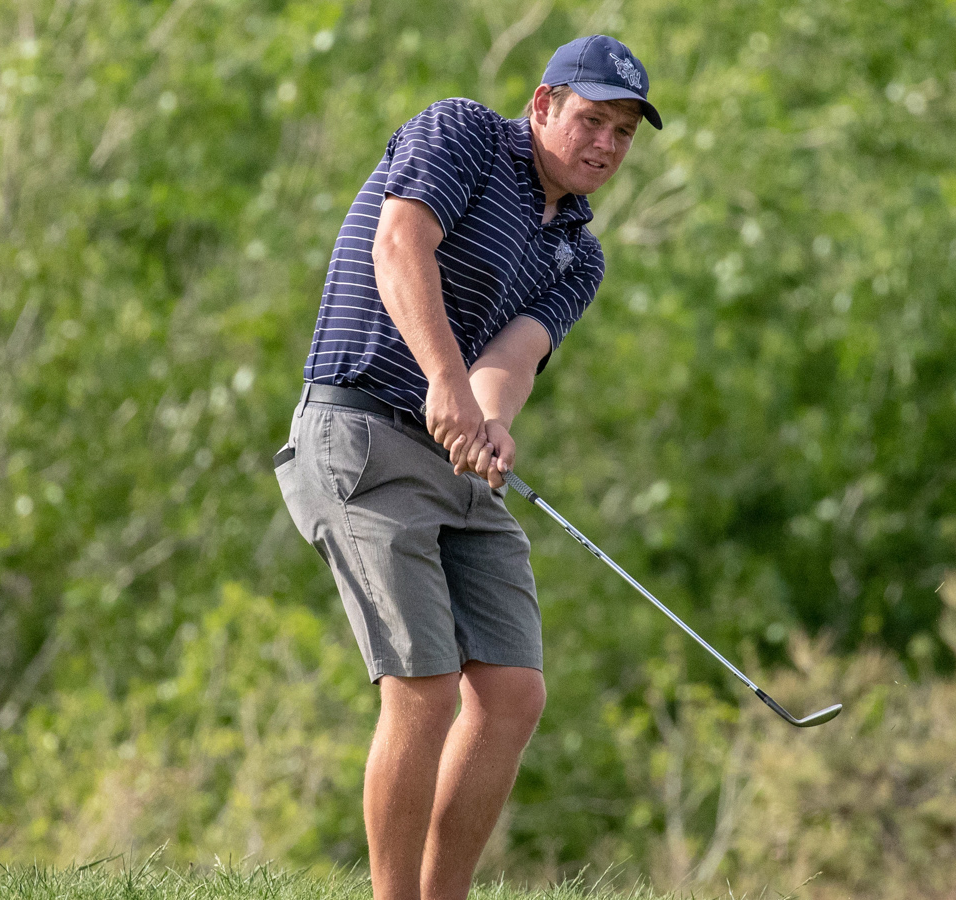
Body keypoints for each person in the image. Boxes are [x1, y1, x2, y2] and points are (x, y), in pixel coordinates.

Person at [273, 34, 661, 900]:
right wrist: (446, 384)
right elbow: (399, 246)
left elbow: (514, 358)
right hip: (360, 431)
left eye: (624, 133)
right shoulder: (461, 135)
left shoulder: (580, 254)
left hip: (449, 461)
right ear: (543, 104)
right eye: (592, 120)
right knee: (424, 688)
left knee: (514, 693)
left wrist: (488, 419)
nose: (606, 144)